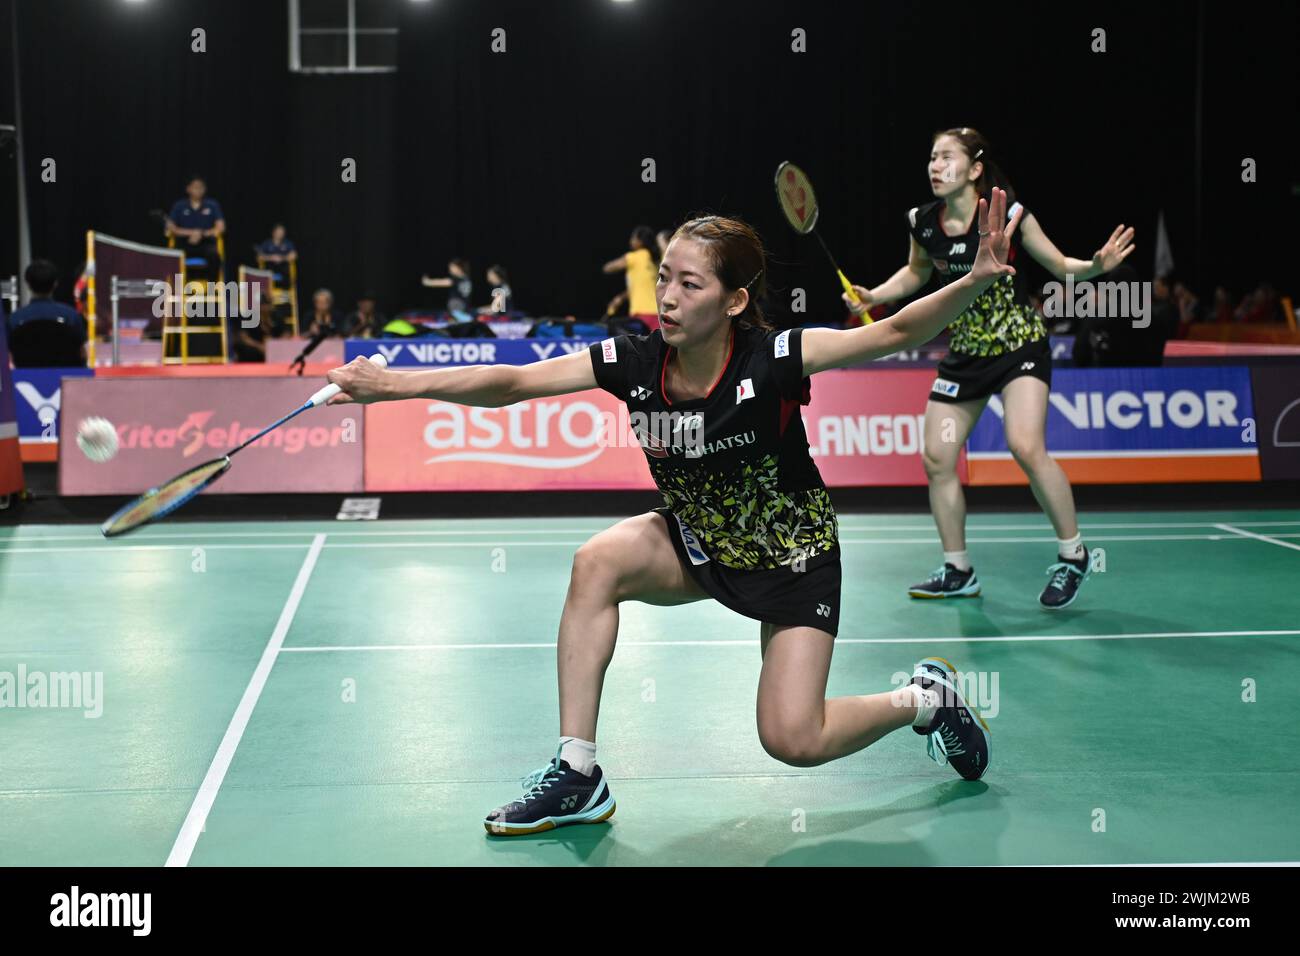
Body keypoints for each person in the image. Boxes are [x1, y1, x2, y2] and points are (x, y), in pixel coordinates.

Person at [322, 196, 1021, 835]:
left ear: (734, 299)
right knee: (596, 562)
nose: (669, 296)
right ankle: (577, 774)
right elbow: (513, 382)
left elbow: (894, 330)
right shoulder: (633, 359)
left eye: (691, 284)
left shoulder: (777, 359)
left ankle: (925, 701)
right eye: (665, 278)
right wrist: (392, 386)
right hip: (696, 542)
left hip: (791, 559)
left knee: (792, 739)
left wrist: (974, 281)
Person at [843, 128, 1134, 609]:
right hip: (966, 354)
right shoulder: (922, 221)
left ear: (975, 168)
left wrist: (1095, 266)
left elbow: (1061, 264)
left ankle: (1073, 554)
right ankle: (958, 570)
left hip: (1019, 344)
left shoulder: (1011, 215)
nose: (935, 166)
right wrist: (874, 295)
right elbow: (917, 272)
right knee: (937, 457)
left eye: (946, 157)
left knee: (1024, 443)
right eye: (932, 157)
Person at [6, 259, 88, 365]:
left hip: (25, 378)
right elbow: (82, 354)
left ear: (28, 284)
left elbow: (9, 355)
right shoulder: (71, 316)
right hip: (65, 376)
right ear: (55, 283)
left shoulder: (14, 319)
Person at [165, 175, 226, 279]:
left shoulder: (212, 205)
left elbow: (221, 227)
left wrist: (201, 234)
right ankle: (176, 288)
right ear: (188, 189)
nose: (198, 190)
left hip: (205, 243)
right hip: (184, 243)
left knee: (214, 255)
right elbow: (171, 227)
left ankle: (212, 288)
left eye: (201, 187)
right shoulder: (179, 206)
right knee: (173, 256)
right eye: (195, 187)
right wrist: (191, 233)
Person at [602, 225, 660, 331]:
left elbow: (608, 268)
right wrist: (621, 297)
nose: (630, 241)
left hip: (641, 314)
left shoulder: (634, 257)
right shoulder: (654, 260)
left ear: (640, 241)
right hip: (657, 313)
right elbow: (642, 286)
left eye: (633, 238)